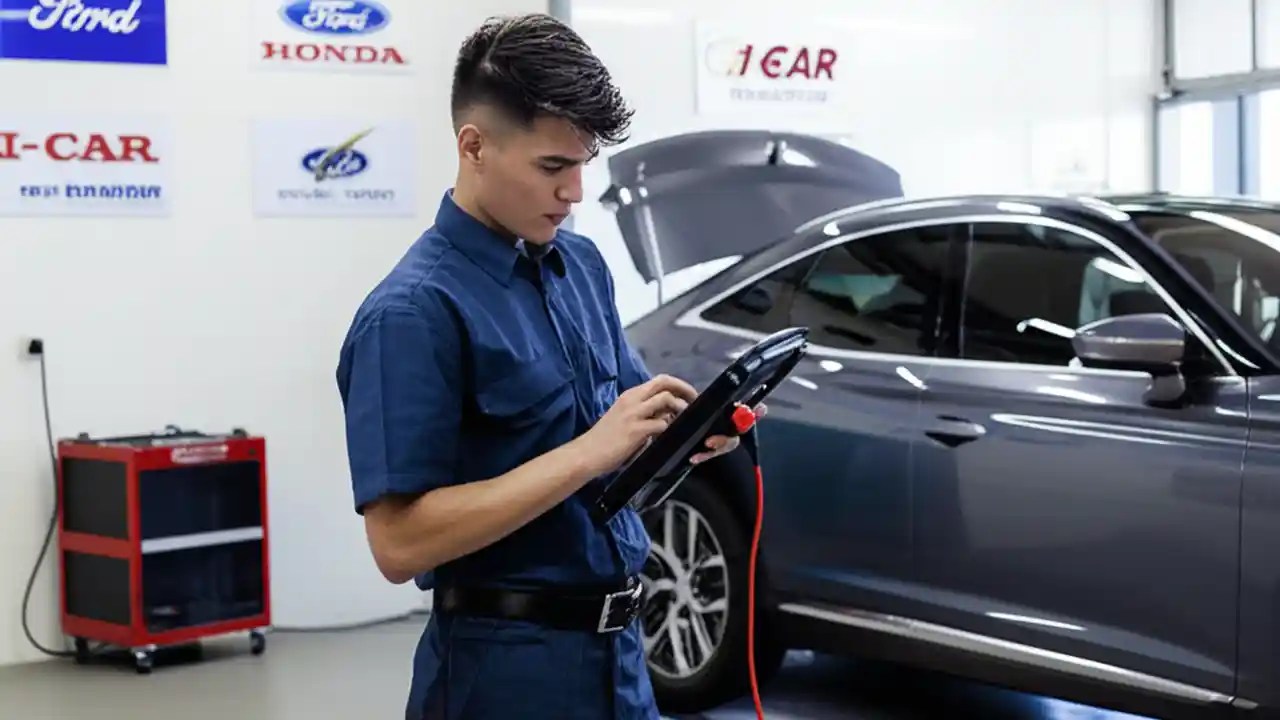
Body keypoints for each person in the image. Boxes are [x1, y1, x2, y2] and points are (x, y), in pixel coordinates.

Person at [335, 13, 755, 720]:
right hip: (504, 675)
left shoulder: (580, 267)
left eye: (583, 164)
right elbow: (398, 544)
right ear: (474, 147)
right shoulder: (411, 314)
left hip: (623, 664)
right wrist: (587, 453)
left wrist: (685, 438)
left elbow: (621, 460)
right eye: (552, 168)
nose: (575, 192)